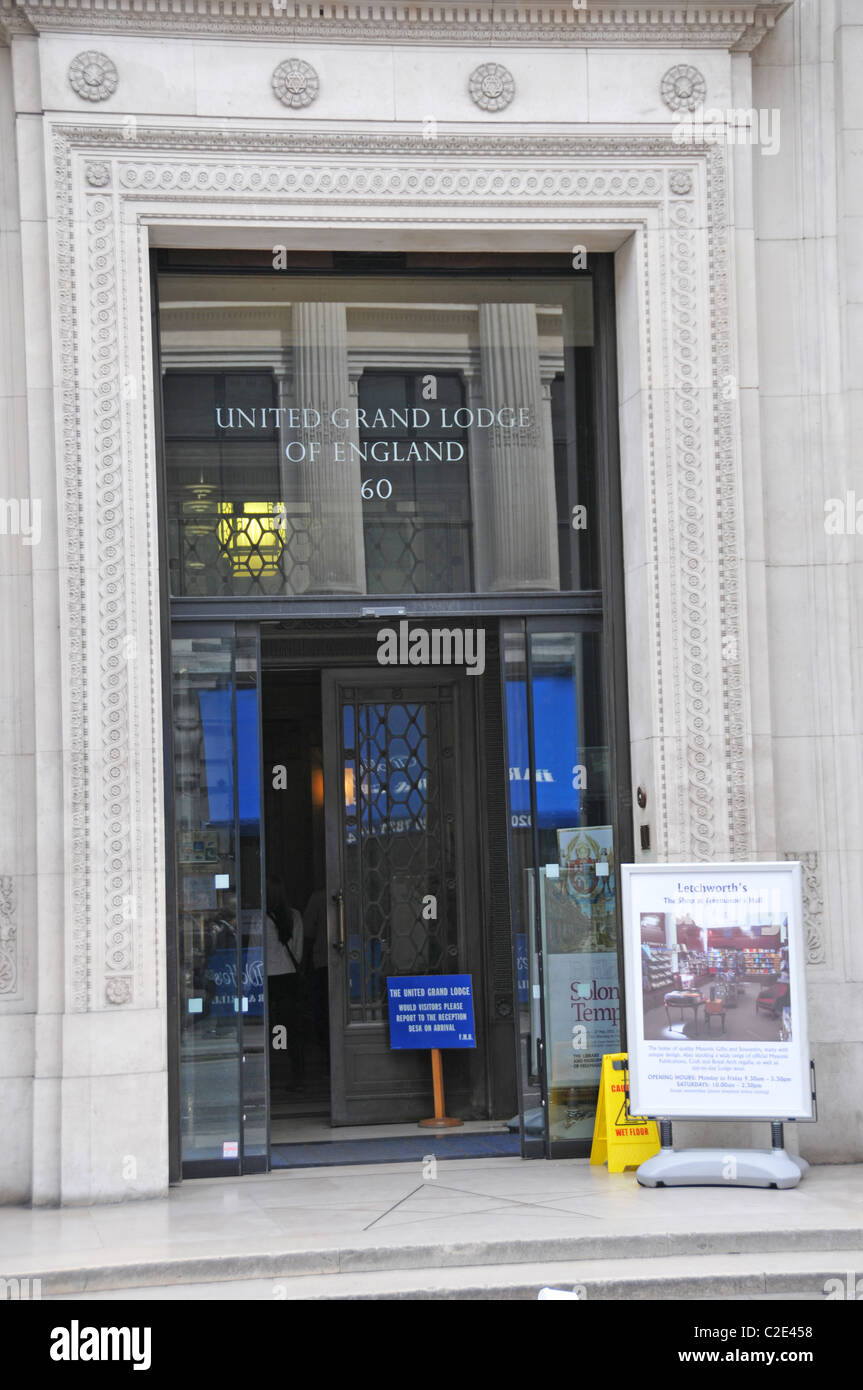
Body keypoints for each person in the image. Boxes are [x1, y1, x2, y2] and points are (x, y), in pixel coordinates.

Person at [266, 881, 305, 1089]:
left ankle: (271, 1075)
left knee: (271, 1027)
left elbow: (255, 951)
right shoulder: (295, 916)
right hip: (289, 976)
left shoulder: (261, 918)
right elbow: (298, 950)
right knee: (291, 1028)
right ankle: (296, 1075)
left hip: (269, 977)